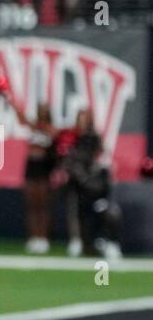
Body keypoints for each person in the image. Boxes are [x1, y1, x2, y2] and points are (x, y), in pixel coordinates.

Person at [58, 108, 120, 258]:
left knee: (109, 212)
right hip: (78, 185)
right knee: (74, 210)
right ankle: (76, 240)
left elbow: (103, 157)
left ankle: (106, 242)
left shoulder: (95, 142)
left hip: (94, 189)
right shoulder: (72, 137)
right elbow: (67, 157)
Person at [2, 95, 57, 253]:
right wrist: (11, 102)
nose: (43, 112)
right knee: (32, 206)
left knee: (43, 206)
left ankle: (43, 237)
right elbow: (21, 117)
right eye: (41, 109)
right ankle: (33, 238)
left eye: (45, 110)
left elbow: (54, 148)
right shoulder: (33, 126)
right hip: (31, 169)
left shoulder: (52, 130)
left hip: (43, 170)